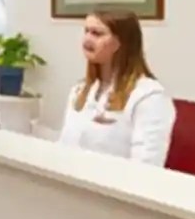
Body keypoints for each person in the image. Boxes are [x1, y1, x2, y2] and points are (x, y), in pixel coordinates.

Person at [58, 10, 175, 166]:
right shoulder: (79, 91)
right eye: (86, 31)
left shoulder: (149, 96)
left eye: (97, 33)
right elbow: (64, 149)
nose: (87, 39)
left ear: (121, 42)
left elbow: (146, 166)